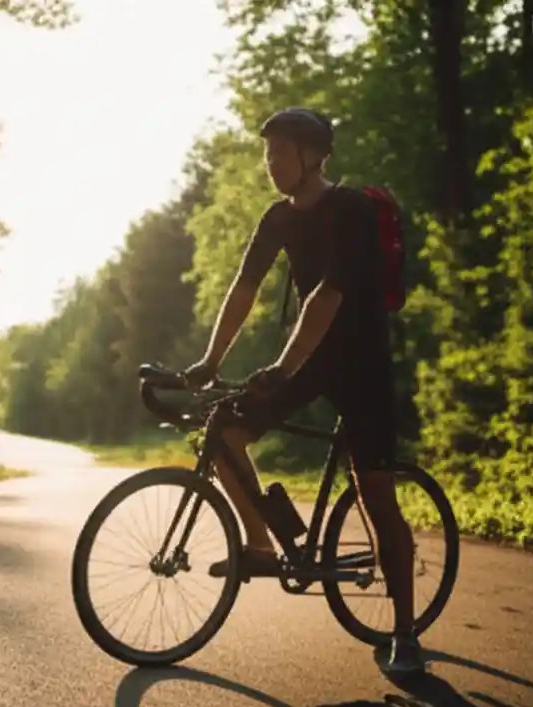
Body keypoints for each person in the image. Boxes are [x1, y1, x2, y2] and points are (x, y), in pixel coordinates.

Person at [181, 107, 423, 675]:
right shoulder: (277, 218)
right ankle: (261, 544)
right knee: (224, 435)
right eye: (266, 154)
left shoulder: (352, 210)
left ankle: (406, 634)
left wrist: (283, 369)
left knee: (376, 494)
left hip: (360, 362)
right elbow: (243, 289)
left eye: (279, 153)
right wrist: (209, 361)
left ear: (312, 157)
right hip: (309, 359)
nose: (269, 164)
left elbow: (327, 297)